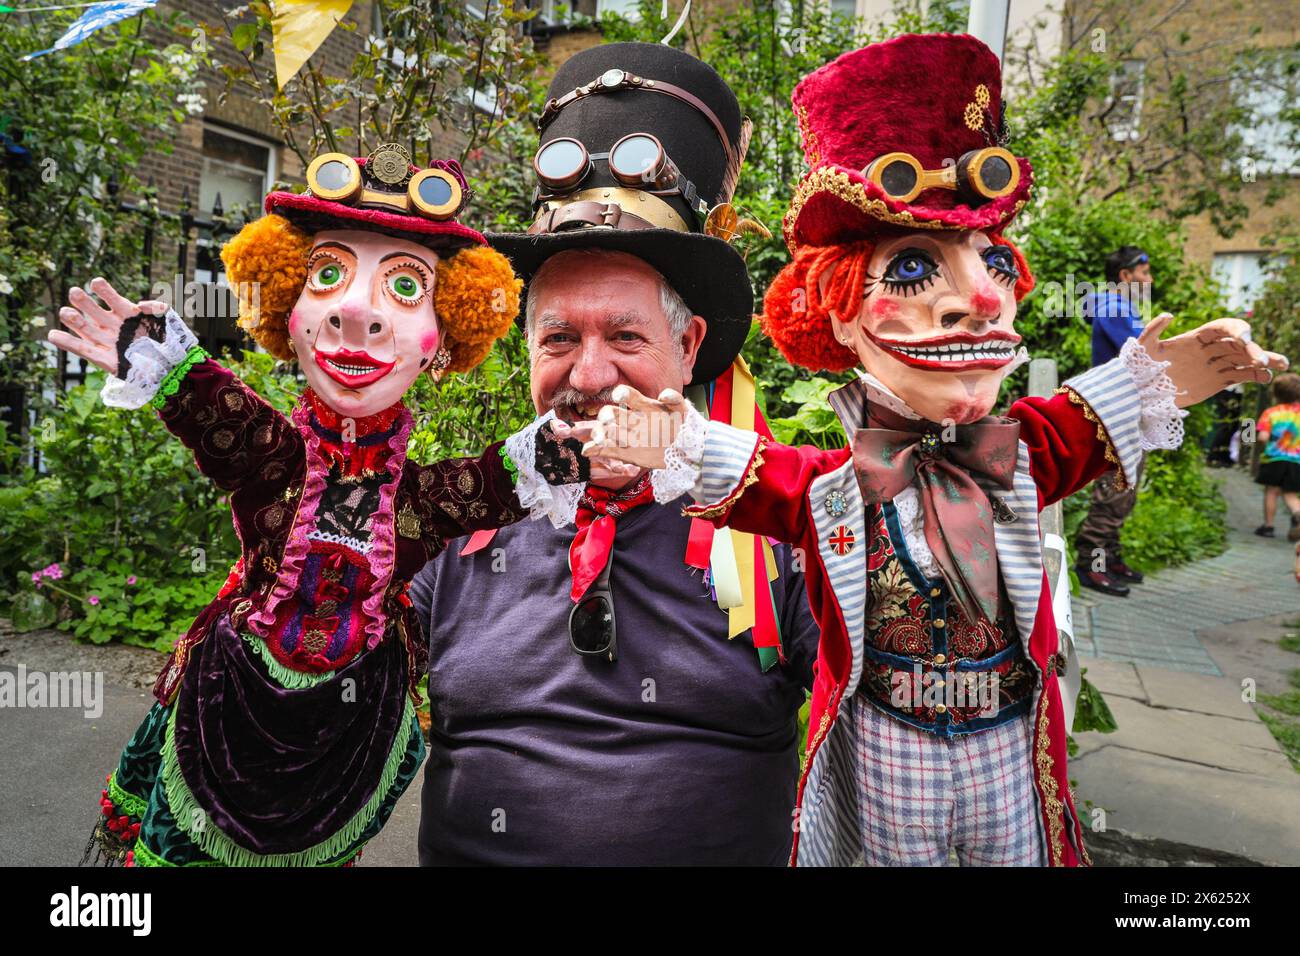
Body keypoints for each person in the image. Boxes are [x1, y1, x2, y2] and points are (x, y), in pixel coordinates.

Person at [573, 33, 1287, 867]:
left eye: (992, 263)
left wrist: (1174, 370)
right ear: (839, 315)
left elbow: (1094, 412)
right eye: (913, 270)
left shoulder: (1026, 454)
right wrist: (668, 440)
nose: (979, 300)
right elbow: (763, 474)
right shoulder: (834, 486)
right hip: (885, 755)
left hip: (1004, 756)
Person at [57, 144, 592, 866]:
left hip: (351, 727)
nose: (356, 315)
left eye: (405, 289)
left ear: (442, 340)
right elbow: (217, 410)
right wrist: (162, 363)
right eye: (329, 274)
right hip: (230, 706)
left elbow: (493, 483)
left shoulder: (424, 501)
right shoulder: (268, 456)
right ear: (287, 309)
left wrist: (579, 441)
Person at [409, 43, 820, 866]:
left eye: (626, 336)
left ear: (689, 344)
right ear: (525, 351)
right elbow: (324, 670)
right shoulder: (452, 521)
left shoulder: (777, 531)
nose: (590, 376)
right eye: (558, 338)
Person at [1075, 245, 1154, 595]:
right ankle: (1090, 566)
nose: (1149, 280)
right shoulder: (1114, 307)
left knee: (1126, 487)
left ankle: (1108, 558)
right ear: (1125, 276)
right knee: (1115, 487)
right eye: (1145, 273)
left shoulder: (1123, 306)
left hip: (1129, 410)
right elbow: (1143, 357)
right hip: (1117, 412)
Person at [1253, 372, 1300, 540]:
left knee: (1271, 492)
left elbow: (1262, 437)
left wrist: (1262, 444)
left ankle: (1268, 526)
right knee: (1291, 493)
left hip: (1274, 458)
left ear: (1276, 393)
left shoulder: (1271, 413)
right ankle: (1297, 513)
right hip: (1296, 461)